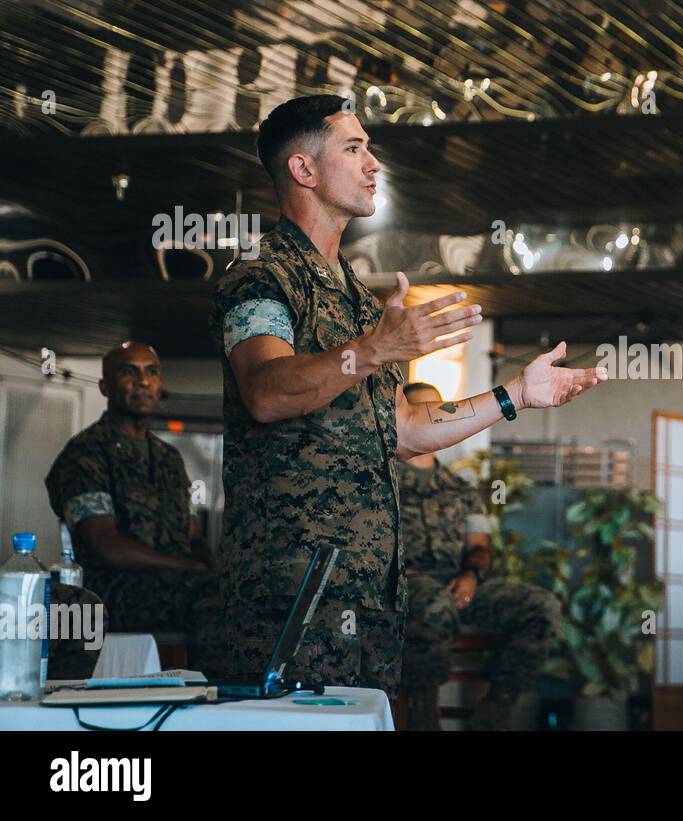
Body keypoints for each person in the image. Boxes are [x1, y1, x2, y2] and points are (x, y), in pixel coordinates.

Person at [210, 94, 604, 700]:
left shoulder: (361, 302)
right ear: (303, 170)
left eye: (369, 148)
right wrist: (371, 351)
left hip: (370, 589)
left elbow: (406, 428)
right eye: (354, 147)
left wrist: (516, 395)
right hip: (289, 590)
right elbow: (266, 391)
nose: (373, 164)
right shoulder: (262, 276)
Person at [43, 341, 219, 669]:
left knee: (239, 592)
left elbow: (192, 535)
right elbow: (105, 546)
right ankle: (221, 699)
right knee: (214, 600)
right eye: (129, 372)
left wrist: (214, 566)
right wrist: (190, 569)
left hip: (179, 583)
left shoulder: (169, 458)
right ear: (105, 388)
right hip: (112, 593)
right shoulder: (87, 454)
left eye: (151, 372)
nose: (143, 381)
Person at [399, 382, 560, 730]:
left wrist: (471, 576)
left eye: (438, 411)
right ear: (404, 416)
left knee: (540, 606)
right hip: (406, 591)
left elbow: (479, 545)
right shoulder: (382, 478)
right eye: (421, 410)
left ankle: (495, 710)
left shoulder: (460, 488)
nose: (433, 418)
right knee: (432, 605)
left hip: (459, 584)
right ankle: (423, 713)